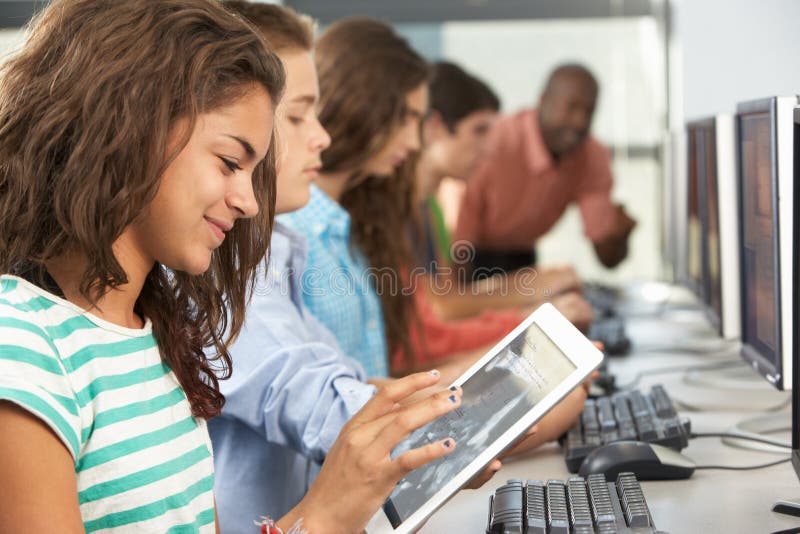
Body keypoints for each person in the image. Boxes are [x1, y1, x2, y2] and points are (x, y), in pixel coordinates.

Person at [0, 2, 463, 533]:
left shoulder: (161, 337)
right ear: (130, 131)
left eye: (254, 170)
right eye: (229, 163)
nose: (248, 202)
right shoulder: (23, 345)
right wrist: (324, 516)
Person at [280, 17, 585, 460]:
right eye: (407, 119)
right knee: (560, 404)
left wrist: (509, 363)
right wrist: (514, 344)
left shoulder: (350, 228)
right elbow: (419, 336)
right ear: (362, 106)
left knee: (560, 396)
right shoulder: (293, 235)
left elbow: (377, 372)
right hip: (361, 456)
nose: (415, 139)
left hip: (375, 442)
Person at [453, 63, 637, 279]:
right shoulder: (496, 141)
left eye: (589, 111)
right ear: (543, 101)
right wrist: (464, 302)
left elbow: (607, 258)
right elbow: (458, 247)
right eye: (572, 108)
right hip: (465, 257)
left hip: (522, 258)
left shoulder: (592, 155)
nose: (580, 122)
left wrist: (618, 234)